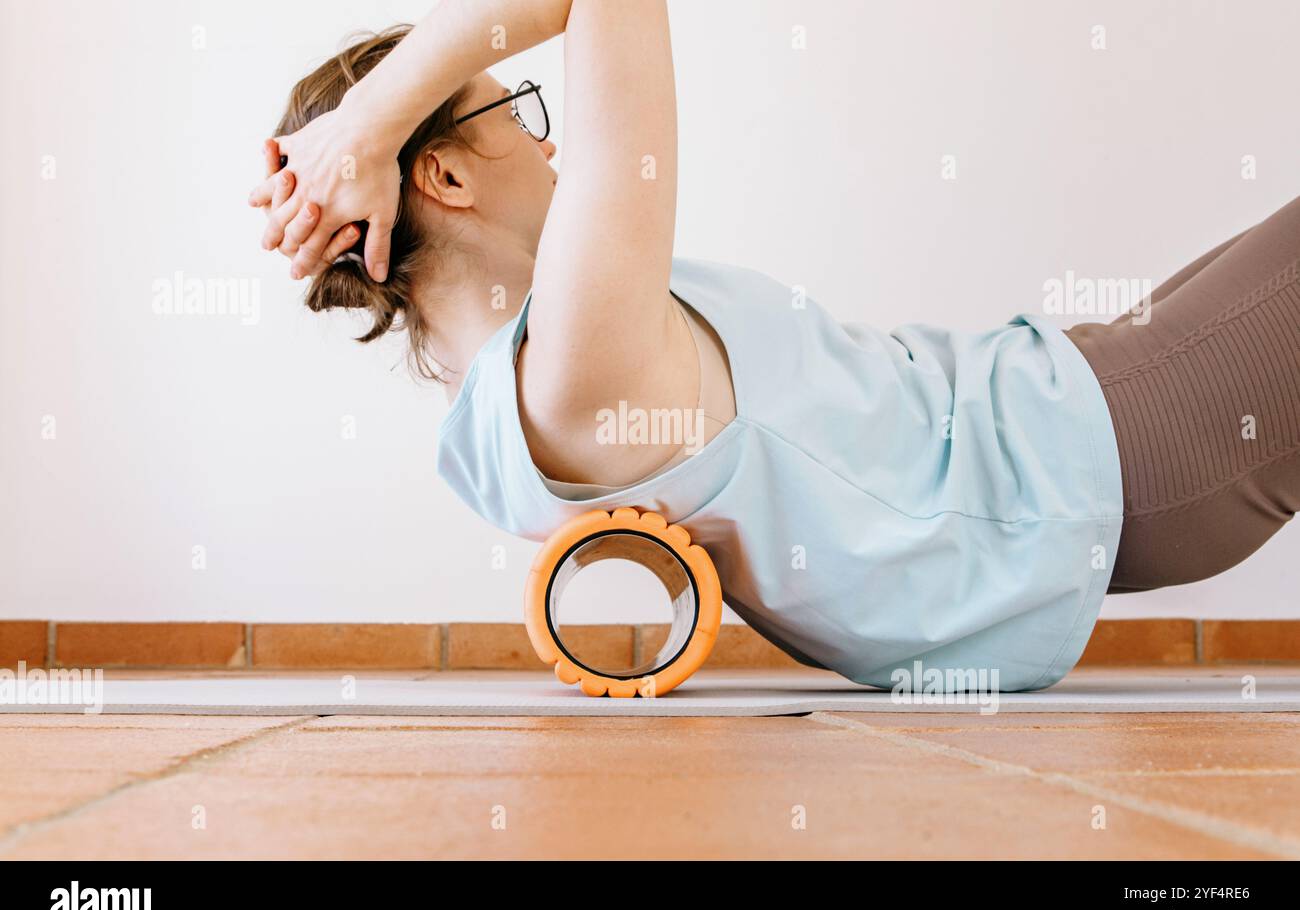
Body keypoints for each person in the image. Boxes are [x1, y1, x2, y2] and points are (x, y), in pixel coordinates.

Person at [249, 1, 1299, 690]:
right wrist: (371, 121)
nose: (550, 135)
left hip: (1070, 414)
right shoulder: (574, 362)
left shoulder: (500, 419)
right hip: (1105, 446)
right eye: (515, 109)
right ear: (442, 175)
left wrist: (365, 135)